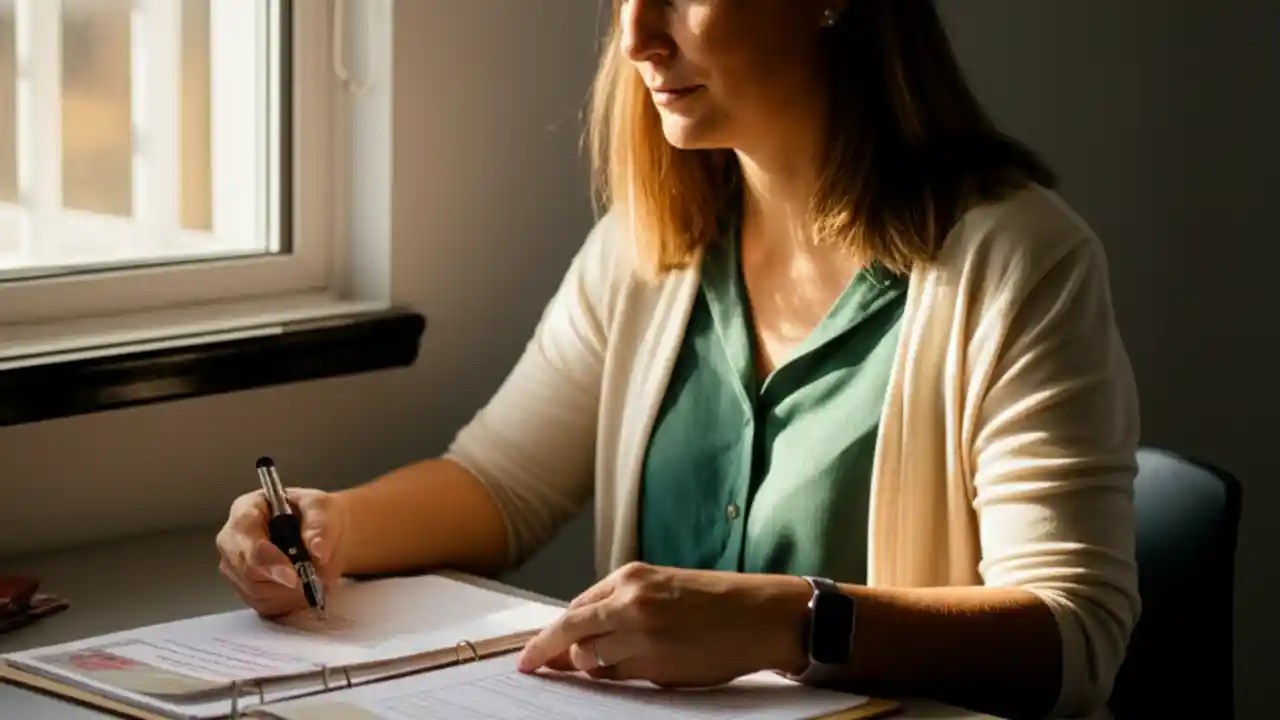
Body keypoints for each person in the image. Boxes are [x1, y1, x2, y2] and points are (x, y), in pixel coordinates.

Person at [216, 1, 1140, 717]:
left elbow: (1074, 634)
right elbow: (500, 483)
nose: (637, 39)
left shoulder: (1016, 262)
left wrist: (789, 619)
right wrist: (331, 526)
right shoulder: (650, 247)